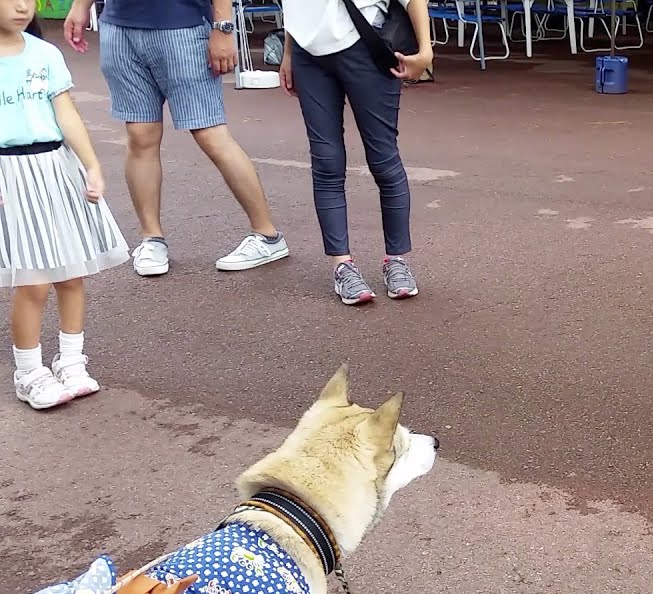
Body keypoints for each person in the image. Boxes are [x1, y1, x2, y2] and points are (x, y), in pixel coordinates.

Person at [62, 0, 289, 277]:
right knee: (140, 134)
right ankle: (152, 238)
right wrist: (80, 5)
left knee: (210, 134)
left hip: (184, 26)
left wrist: (223, 27)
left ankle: (267, 235)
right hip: (119, 27)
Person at [0, 0, 130, 410]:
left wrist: (91, 165)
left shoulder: (45, 53)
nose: (24, 6)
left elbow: (66, 113)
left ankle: (71, 360)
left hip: (56, 167)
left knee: (72, 273)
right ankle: (29, 372)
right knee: (33, 280)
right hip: (9, 174)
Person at [278, 0, 433, 305]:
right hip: (307, 54)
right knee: (326, 161)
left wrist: (425, 51)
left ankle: (396, 259)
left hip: (366, 43)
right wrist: (288, 52)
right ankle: (342, 265)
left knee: (383, 158)